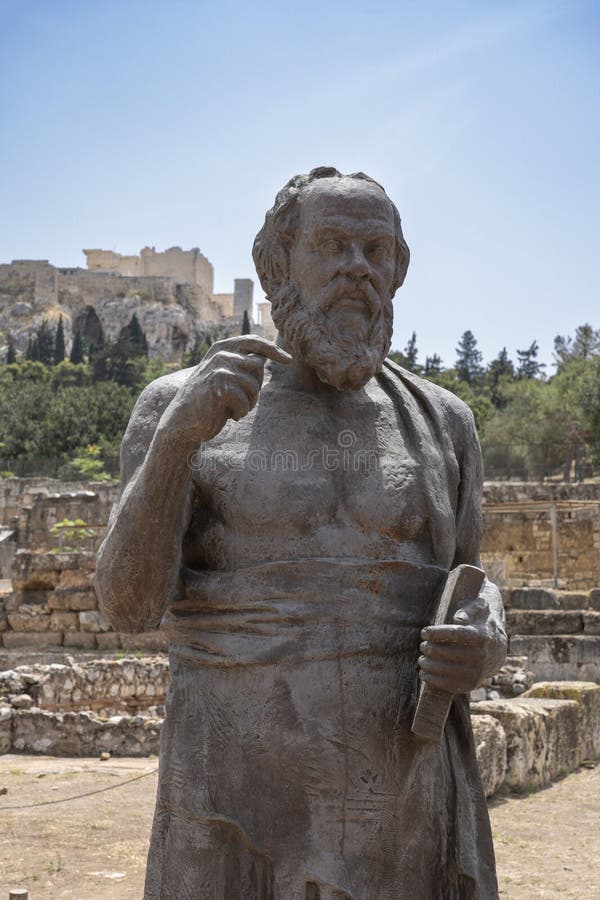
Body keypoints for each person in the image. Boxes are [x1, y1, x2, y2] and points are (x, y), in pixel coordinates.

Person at [95, 166, 507, 899]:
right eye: (334, 245)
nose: (358, 269)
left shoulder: (444, 423)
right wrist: (175, 445)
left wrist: (486, 636)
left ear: (398, 271)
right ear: (278, 264)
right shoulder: (179, 407)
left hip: (402, 808)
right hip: (233, 808)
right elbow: (126, 606)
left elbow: (469, 589)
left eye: (377, 251)